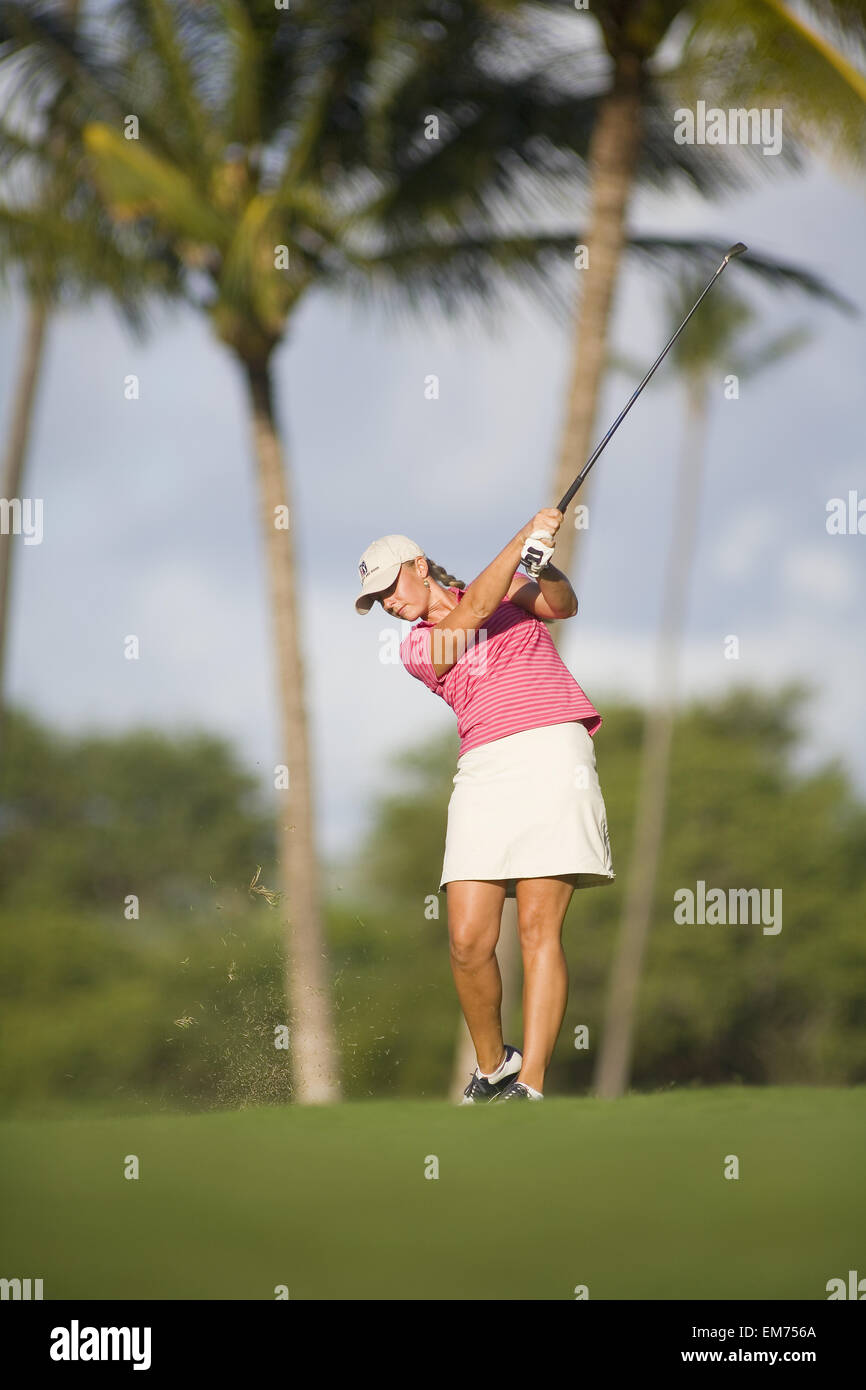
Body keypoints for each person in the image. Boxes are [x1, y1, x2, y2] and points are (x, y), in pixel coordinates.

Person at [354, 510, 614, 1102]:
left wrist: (541, 558)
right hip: (484, 770)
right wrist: (521, 537)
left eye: (388, 589)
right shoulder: (418, 648)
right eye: (376, 601)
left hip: (552, 748)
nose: (388, 606)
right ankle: (494, 1064)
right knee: (469, 940)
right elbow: (470, 615)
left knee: (537, 929)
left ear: (419, 567)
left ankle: (532, 1084)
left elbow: (562, 604)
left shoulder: (508, 590)